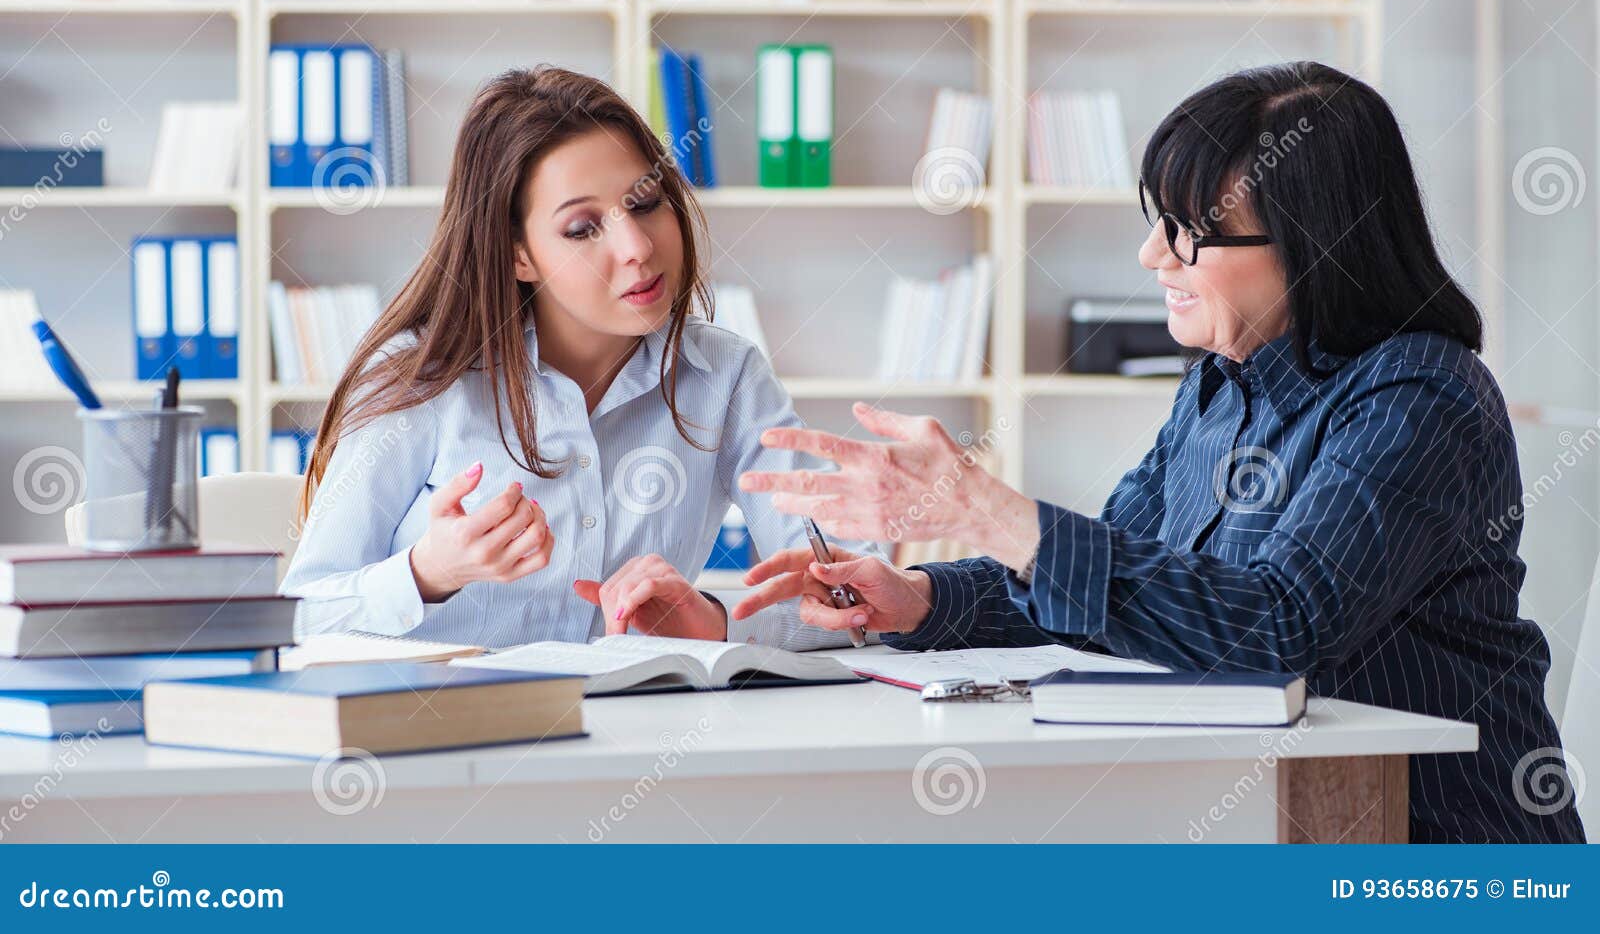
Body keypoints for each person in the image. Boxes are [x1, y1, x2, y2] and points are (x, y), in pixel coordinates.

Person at [735, 61, 1586, 843]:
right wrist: (918, 599)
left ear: (1311, 244)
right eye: (1158, 225)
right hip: (1262, 820)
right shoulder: (1219, 381)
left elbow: (1283, 630)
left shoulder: (1420, 393)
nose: (1152, 257)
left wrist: (982, 506)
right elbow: (1119, 587)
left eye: (1186, 233)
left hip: (1431, 846)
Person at [282, 66, 872, 650]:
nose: (637, 248)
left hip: (625, 734)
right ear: (518, 256)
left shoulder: (726, 376)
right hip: (442, 736)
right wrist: (430, 572)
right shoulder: (423, 379)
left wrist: (715, 623)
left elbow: (853, 598)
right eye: (583, 228)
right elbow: (299, 619)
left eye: (645, 203)